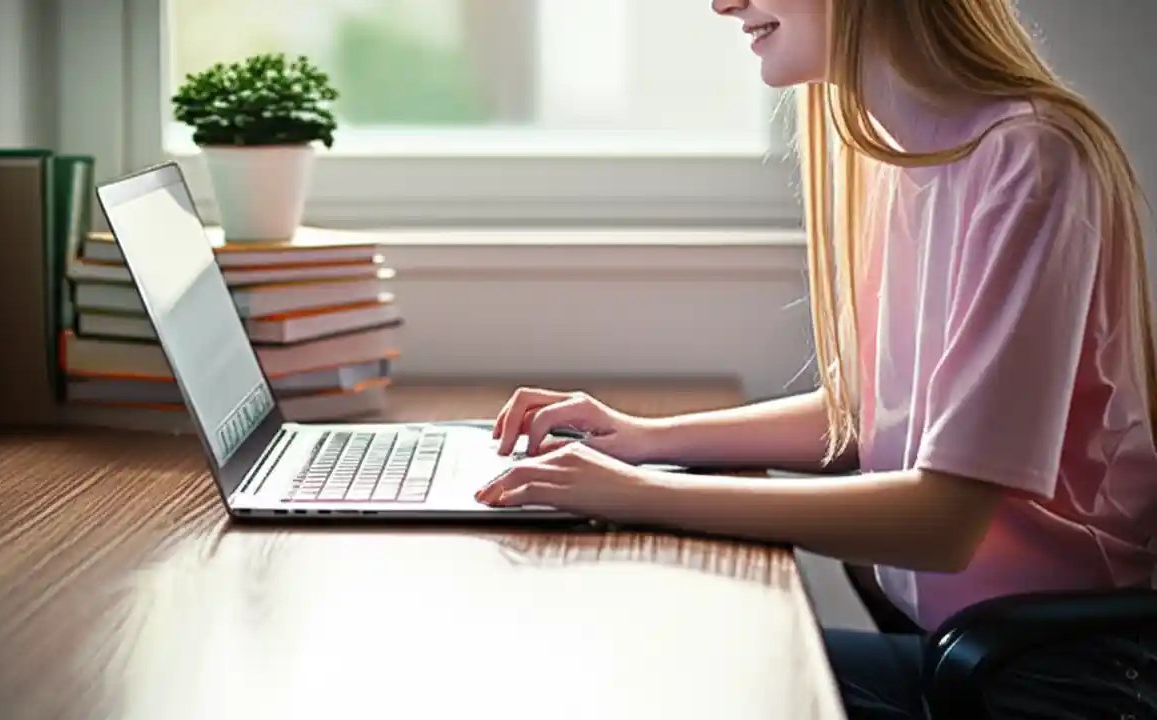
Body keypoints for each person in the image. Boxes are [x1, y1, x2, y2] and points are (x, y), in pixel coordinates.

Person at [476, 0, 1157, 717]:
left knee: (655, 678)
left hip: (1048, 683)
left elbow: (946, 517)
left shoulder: (1032, 161)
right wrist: (645, 438)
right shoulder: (898, 154)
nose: (724, 3)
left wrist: (642, 497)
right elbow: (870, 413)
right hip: (960, 652)